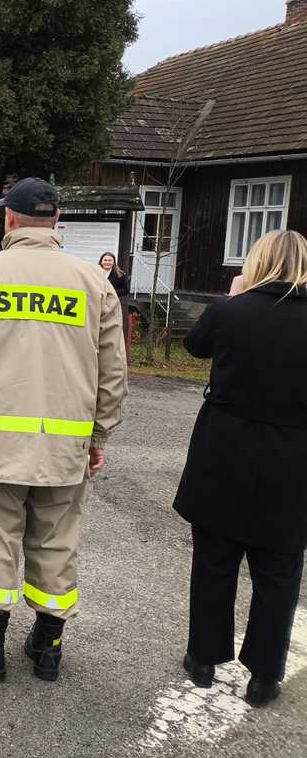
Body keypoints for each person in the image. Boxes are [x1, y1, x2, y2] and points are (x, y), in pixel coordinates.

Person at [0, 177, 127, 683]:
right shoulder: (93, 283)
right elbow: (112, 373)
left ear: (10, 220)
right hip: (66, 444)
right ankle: (48, 646)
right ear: (56, 221)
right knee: (57, 540)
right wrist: (99, 436)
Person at [173, 229, 307, 707]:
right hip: (293, 457)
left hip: (224, 449)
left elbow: (194, 346)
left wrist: (232, 297)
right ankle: (264, 675)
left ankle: (204, 659)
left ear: (257, 261)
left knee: (214, 559)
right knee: (279, 570)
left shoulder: (230, 311)